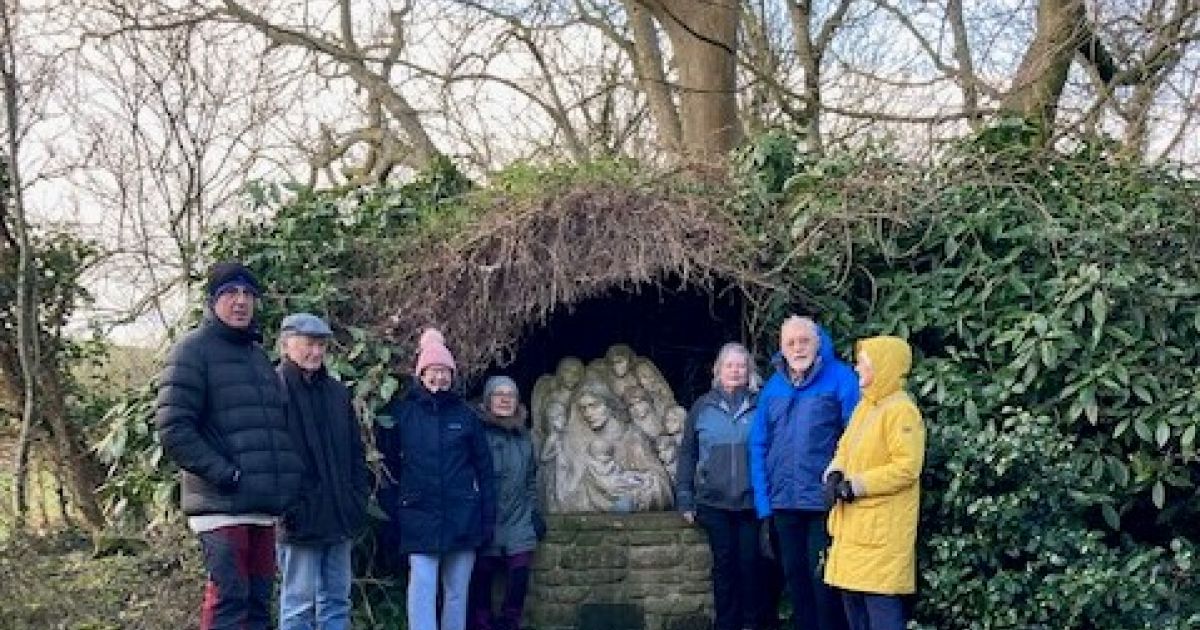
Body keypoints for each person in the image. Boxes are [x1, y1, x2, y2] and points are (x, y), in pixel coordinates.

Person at [156, 261, 304, 630]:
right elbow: (174, 429)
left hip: (261, 507)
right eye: (230, 294)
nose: (240, 302)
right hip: (221, 506)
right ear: (213, 301)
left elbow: (275, 428)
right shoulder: (192, 351)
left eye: (247, 294)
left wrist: (286, 486)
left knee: (258, 607)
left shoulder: (257, 357)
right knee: (228, 602)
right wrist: (228, 474)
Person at [375, 328, 497, 630]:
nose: (439, 378)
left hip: (462, 516)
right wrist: (395, 509)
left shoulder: (466, 417)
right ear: (421, 374)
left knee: (457, 593)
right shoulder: (403, 414)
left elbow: (484, 469)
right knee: (422, 591)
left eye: (445, 371)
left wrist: (487, 516)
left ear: (452, 375)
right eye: (433, 371)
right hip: (418, 515)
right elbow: (388, 467)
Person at [749, 316, 859, 630]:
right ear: (782, 349)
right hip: (783, 505)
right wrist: (764, 506)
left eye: (804, 341)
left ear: (817, 342)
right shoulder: (773, 387)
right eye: (790, 343)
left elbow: (855, 437)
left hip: (823, 504)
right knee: (796, 584)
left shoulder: (841, 379)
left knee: (825, 585)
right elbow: (758, 445)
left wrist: (840, 483)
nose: (798, 348)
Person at [275, 313, 371, 630]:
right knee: (298, 607)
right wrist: (288, 506)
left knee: (336, 603)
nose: (316, 352)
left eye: (321, 345)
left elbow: (356, 454)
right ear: (287, 344)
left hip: (340, 515)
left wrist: (356, 498)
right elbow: (271, 457)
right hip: (298, 519)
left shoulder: (337, 393)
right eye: (308, 344)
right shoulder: (273, 389)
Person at [823, 336, 926, 630]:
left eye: (863, 364)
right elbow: (845, 448)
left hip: (882, 534)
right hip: (854, 532)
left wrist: (856, 486)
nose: (856, 369)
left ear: (882, 367)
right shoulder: (866, 406)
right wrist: (834, 473)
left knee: (881, 616)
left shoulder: (901, 410)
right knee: (856, 616)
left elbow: (907, 468)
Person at [676, 342, 765, 630]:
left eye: (741, 365)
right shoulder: (702, 407)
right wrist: (685, 497)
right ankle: (726, 624)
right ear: (718, 370)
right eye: (729, 365)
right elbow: (688, 453)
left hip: (751, 502)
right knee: (724, 566)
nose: (735, 370)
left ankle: (752, 624)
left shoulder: (760, 405)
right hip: (713, 503)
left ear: (748, 370)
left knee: (751, 566)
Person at [468, 376, 545, 630]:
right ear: (488, 400)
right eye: (498, 394)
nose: (504, 399)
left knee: (520, 569)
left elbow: (531, 479)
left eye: (510, 395)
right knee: (483, 571)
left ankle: (511, 621)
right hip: (487, 513)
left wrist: (534, 510)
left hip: (518, 515)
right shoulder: (478, 433)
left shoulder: (524, 437)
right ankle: (482, 621)